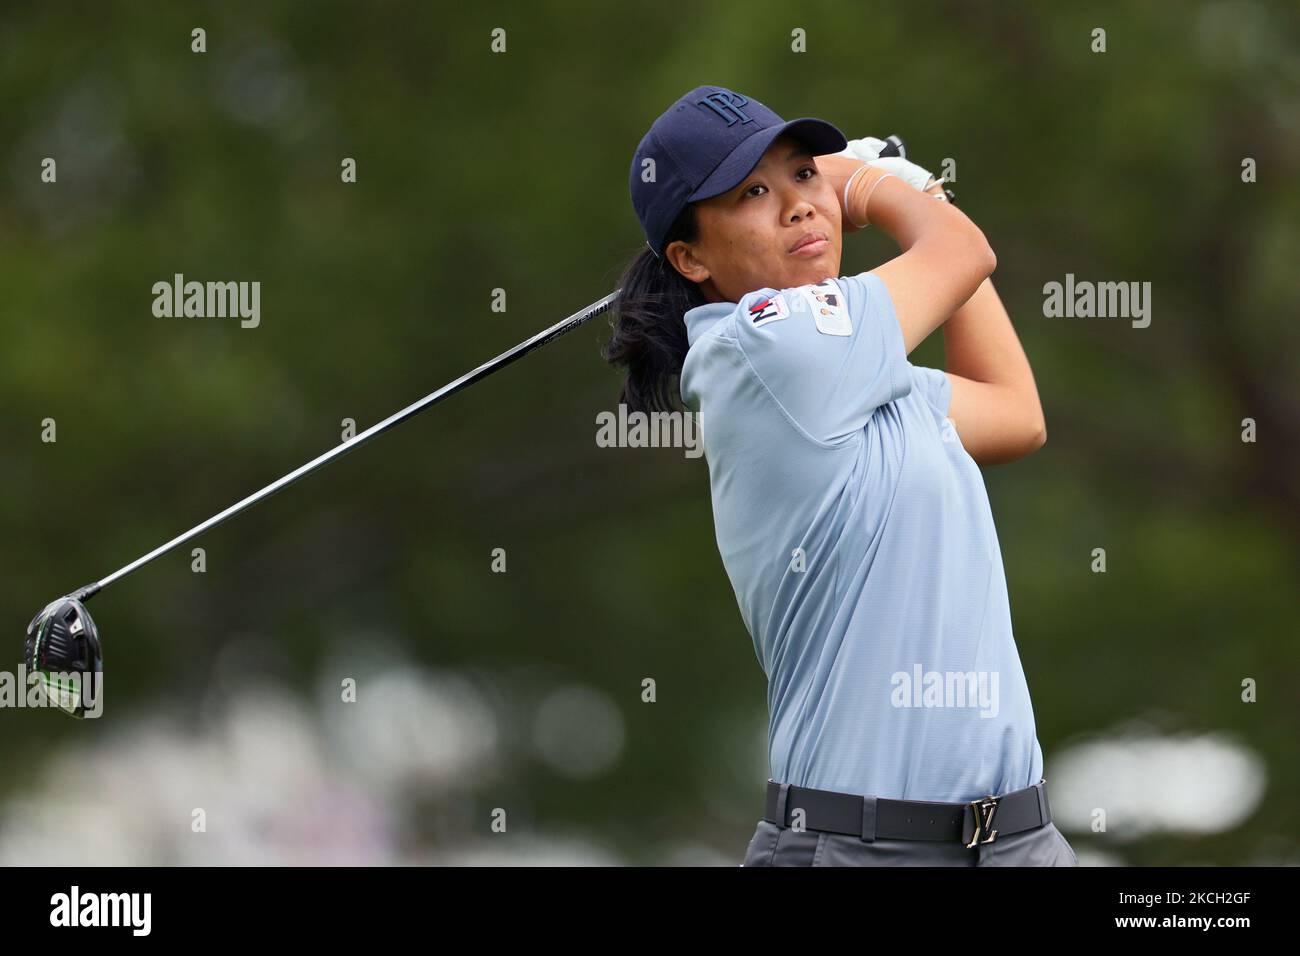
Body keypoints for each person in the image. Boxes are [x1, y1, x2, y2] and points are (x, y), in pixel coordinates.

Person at [604, 85, 1077, 867]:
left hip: (1019, 842)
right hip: (865, 847)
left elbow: (1015, 412)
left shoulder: (857, 374)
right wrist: (876, 185)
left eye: (803, 176)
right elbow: (961, 253)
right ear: (690, 259)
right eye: (754, 193)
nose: (796, 206)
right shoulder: (766, 351)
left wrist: (920, 194)